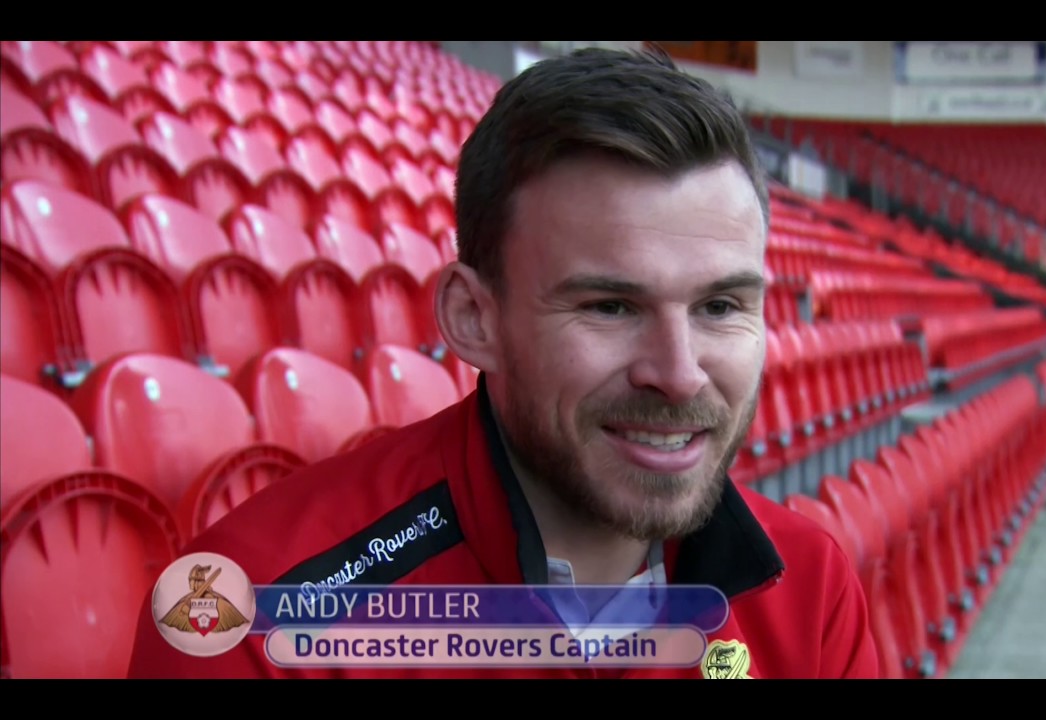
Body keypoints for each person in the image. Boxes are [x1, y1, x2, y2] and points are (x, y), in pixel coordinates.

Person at [127, 45, 879, 679]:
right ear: (472, 318)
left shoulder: (808, 585)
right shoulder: (249, 621)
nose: (679, 372)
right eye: (609, 307)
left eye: (720, 307)